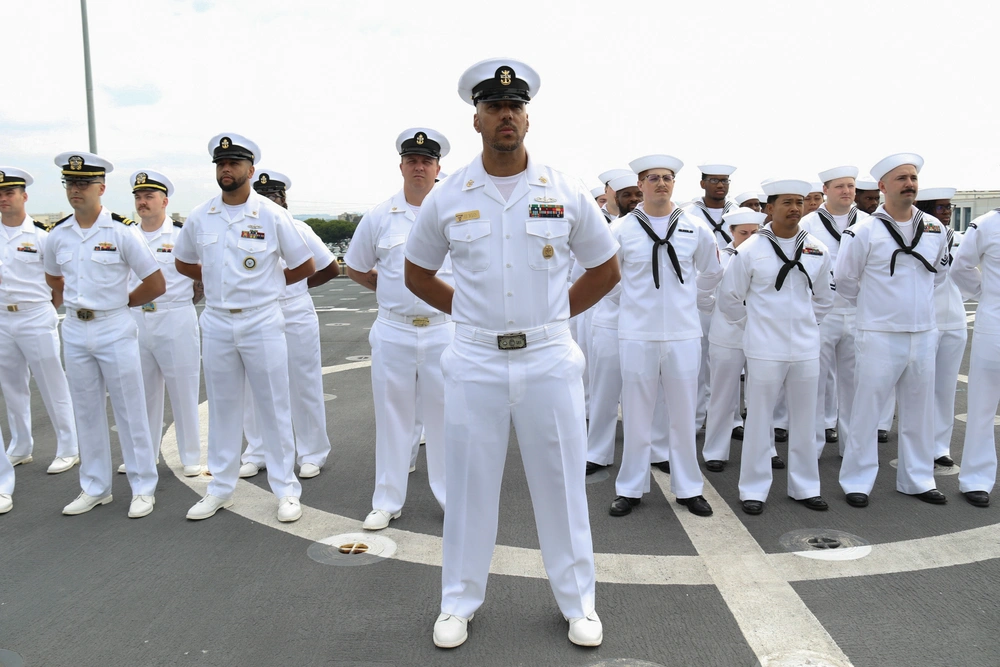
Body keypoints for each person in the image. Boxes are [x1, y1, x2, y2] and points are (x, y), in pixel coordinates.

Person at [404, 58, 620, 649]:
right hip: (474, 361)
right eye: (495, 107)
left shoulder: (564, 189)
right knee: (471, 486)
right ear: (476, 118)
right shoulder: (449, 196)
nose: (506, 116)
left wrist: (555, 317)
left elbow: (606, 268)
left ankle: (579, 604)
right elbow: (417, 273)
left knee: (562, 486)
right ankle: (458, 602)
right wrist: (469, 316)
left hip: (548, 358)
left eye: (515, 107)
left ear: (528, 117)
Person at [173, 133, 315, 523]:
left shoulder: (271, 214)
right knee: (222, 406)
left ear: (250, 170)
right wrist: (217, 276)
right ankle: (220, 487)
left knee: (273, 404)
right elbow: (183, 262)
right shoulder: (202, 215)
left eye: (234, 163)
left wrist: (268, 283)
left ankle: (286, 490)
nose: (226, 169)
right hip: (217, 319)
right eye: (221, 164)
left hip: (262, 318)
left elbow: (304, 264)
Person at [44, 152, 165, 518]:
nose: (75, 190)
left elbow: (155, 282)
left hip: (114, 326)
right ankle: (95, 486)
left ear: (101, 187)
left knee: (130, 410)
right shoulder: (58, 235)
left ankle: (143, 486)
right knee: (86, 410)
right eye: (70, 183)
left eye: (82, 183)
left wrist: (120, 303)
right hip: (75, 329)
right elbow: (53, 278)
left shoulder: (121, 231)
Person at [344, 128, 452, 530]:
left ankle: (449, 497)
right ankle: (387, 500)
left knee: (447, 417)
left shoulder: (453, 212)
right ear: (402, 166)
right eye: (412, 160)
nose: (419, 167)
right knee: (392, 417)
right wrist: (393, 289)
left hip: (444, 329)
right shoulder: (379, 216)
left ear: (438, 167)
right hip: (394, 329)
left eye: (426, 161)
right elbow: (355, 266)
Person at [610, 155, 722, 518]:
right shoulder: (621, 230)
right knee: (637, 415)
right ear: (639, 185)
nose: (661, 183)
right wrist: (631, 307)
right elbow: (609, 280)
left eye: (668, 178)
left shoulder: (694, 228)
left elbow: (711, 271)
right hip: (637, 335)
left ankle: (689, 488)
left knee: (683, 415)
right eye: (653, 178)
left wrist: (693, 303)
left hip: (682, 335)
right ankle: (630, 488)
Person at [835, 153, 950, 508]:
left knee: (919, 410)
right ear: (883, 186)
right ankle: (857, 479)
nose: (910, 184)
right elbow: (845, 280)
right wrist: (878, 309)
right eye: (901, 178)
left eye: (913, 178)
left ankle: (917, 479)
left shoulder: (934, 227)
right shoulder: (864, 230)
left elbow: (940, 275)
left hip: (922, 332)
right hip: (880, 333)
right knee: (867, 410)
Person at [719, 178, 834, 515]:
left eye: (799, 202)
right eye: (786, 202)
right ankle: (753, 488)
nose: (794, 208)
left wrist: (805, 325)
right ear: (769, 209)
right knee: (758, 419)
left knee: (805, 420)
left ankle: (805, 487)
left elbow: (825, 298)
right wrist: (755, 325)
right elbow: (729, 300)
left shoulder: (816, 249)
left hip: (805, 348)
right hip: (763, 348)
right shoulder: (750, 249)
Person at [239, 169, 338, 480]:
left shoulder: (299, 229)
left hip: (294, 312)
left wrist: (294, 286)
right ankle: (258, 450)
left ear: (283, 200)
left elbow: (330, 267)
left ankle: (312, 451)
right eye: (264, 197)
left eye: (275, 197)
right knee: (255, 386)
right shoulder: (244, 230)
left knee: (303, 383)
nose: (270, 202)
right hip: (257, 313)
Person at [0, 166, 79, 475]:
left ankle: (68, 446)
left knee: (52, 382)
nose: (3, 198)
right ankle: (21, 446)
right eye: (0, 194)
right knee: (11, 386)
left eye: (9, 192)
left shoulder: (42, 237)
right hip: (3, 318)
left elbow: (58, 283)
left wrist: (47, 308)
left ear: (24, 196)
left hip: (35, 315)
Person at [125, 170, 203, 477]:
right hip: (137, 318)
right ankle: (145, 455)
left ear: (164, 201)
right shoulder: (126, 235)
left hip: (175, 316)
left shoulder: (182, 235)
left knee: (183, 388)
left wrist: (185, 303)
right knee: (141, 392)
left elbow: (201, 277)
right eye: (138, 197)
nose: (143, 203)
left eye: (149, 197)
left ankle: (191, 455)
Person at [800, 166, 869, 458]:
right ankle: (811, 447)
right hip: (822, 313)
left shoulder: (868, 222)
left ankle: (851, 447)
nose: (847, 191)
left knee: (855, 384)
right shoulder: (808, 223)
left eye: (851, 186)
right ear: (825, 190)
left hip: (857, 312)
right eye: (839, 186)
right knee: (815, 383)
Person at [702, 209, 764, 471]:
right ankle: (715, 450)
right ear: (731, 233)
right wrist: (720, 313)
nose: (750, 238)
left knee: (762, 396)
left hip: (762, 334)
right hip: (727, 334)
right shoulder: (722, 258)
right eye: (743, 233)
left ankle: (766, 449)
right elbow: (703, 291)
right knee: (722, 394)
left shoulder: (767, 253)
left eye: (755, 233)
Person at [950, 204, 1000, 507]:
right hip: (995, 325)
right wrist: (988, 294)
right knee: (982, 406)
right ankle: (976, 479)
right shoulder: (985, 225)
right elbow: (960, 268)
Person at [915, 187, 963, 469]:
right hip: (923, 318)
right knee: (918, 387)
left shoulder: (960, 238)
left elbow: (967, 269)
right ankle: (914, 440)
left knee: (945, 388)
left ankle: (939, 445)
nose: (946, 213)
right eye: (940, 207)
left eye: (949, 207)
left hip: (954, 317)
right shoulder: (917, 237)